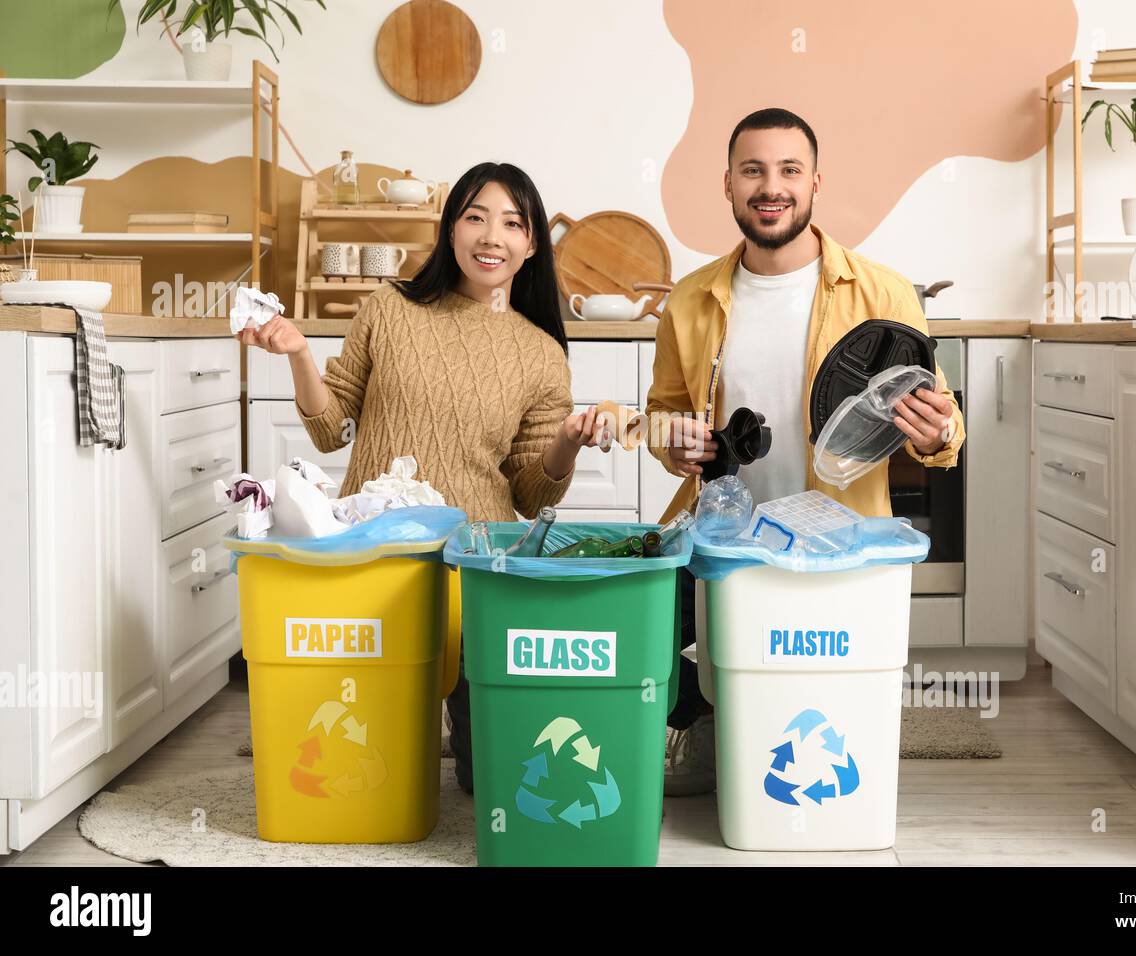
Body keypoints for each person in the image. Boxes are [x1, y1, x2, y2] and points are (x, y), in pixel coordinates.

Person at [237, 161, 614, 793]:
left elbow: (529, 494)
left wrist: (566, 446)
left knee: (481, 781)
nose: (491, 237)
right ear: (450, 229)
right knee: (368, 771)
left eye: (512, 223)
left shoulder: (541, 352)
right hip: (377, 553)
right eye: (475, 217)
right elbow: (333, 432)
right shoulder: (388, 310)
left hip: (473, 567)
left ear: (530, 245)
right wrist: (302, 354)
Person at [647, 108, 966, 796]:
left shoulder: (881, 293)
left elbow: (942, 430)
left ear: (815, 181)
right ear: (727, 184)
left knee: (818, 707)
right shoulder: (690, 299)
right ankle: (704, 729)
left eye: (789, 170)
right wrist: (672, 445)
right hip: (730, 545)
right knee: (718, 684)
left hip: (837, 544)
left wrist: (938, 433)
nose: (772, 186)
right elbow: (662, 415)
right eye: (753, 170)